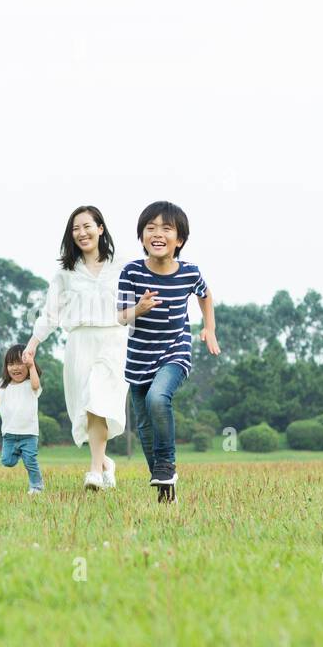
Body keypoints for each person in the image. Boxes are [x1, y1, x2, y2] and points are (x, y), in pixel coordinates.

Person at [117, 201, 219, 502]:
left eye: (166, 228)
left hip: (174, 353)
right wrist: (140, 308)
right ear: (142, 237)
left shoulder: (189, 272)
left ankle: (166, 464)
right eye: (150, 228)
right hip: (138, 360)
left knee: (157, 398)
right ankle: (164, 489)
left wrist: (209, 328)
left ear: (180, 240)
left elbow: (205, 294)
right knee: (145, 428)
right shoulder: (131, 272)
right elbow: (121, 316)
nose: (157, 233)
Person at [23, 206, 127, 491]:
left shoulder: (123, 266)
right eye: (75, 229)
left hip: (113, 341)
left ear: (101, 229)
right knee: (86, 408)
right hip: (79, 343)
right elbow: (50, 315)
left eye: (87, 226)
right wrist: (32, 344)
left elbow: (132, 309)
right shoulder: (65, 274)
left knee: (99, 399)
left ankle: (94, 471)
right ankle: (105, 462)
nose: (82, 233)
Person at [0, 344, 44, 494]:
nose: (15, 368)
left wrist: (31, 365)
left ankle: (36, 486)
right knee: (7, 462)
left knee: (30, 462)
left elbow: (36, 383)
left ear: (27, 365)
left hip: (29, 433)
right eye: (11, 364)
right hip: (9, 434)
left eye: (20, 363)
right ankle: (19, 452)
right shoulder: (3, 385)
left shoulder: (30, 385)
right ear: (6, 367)